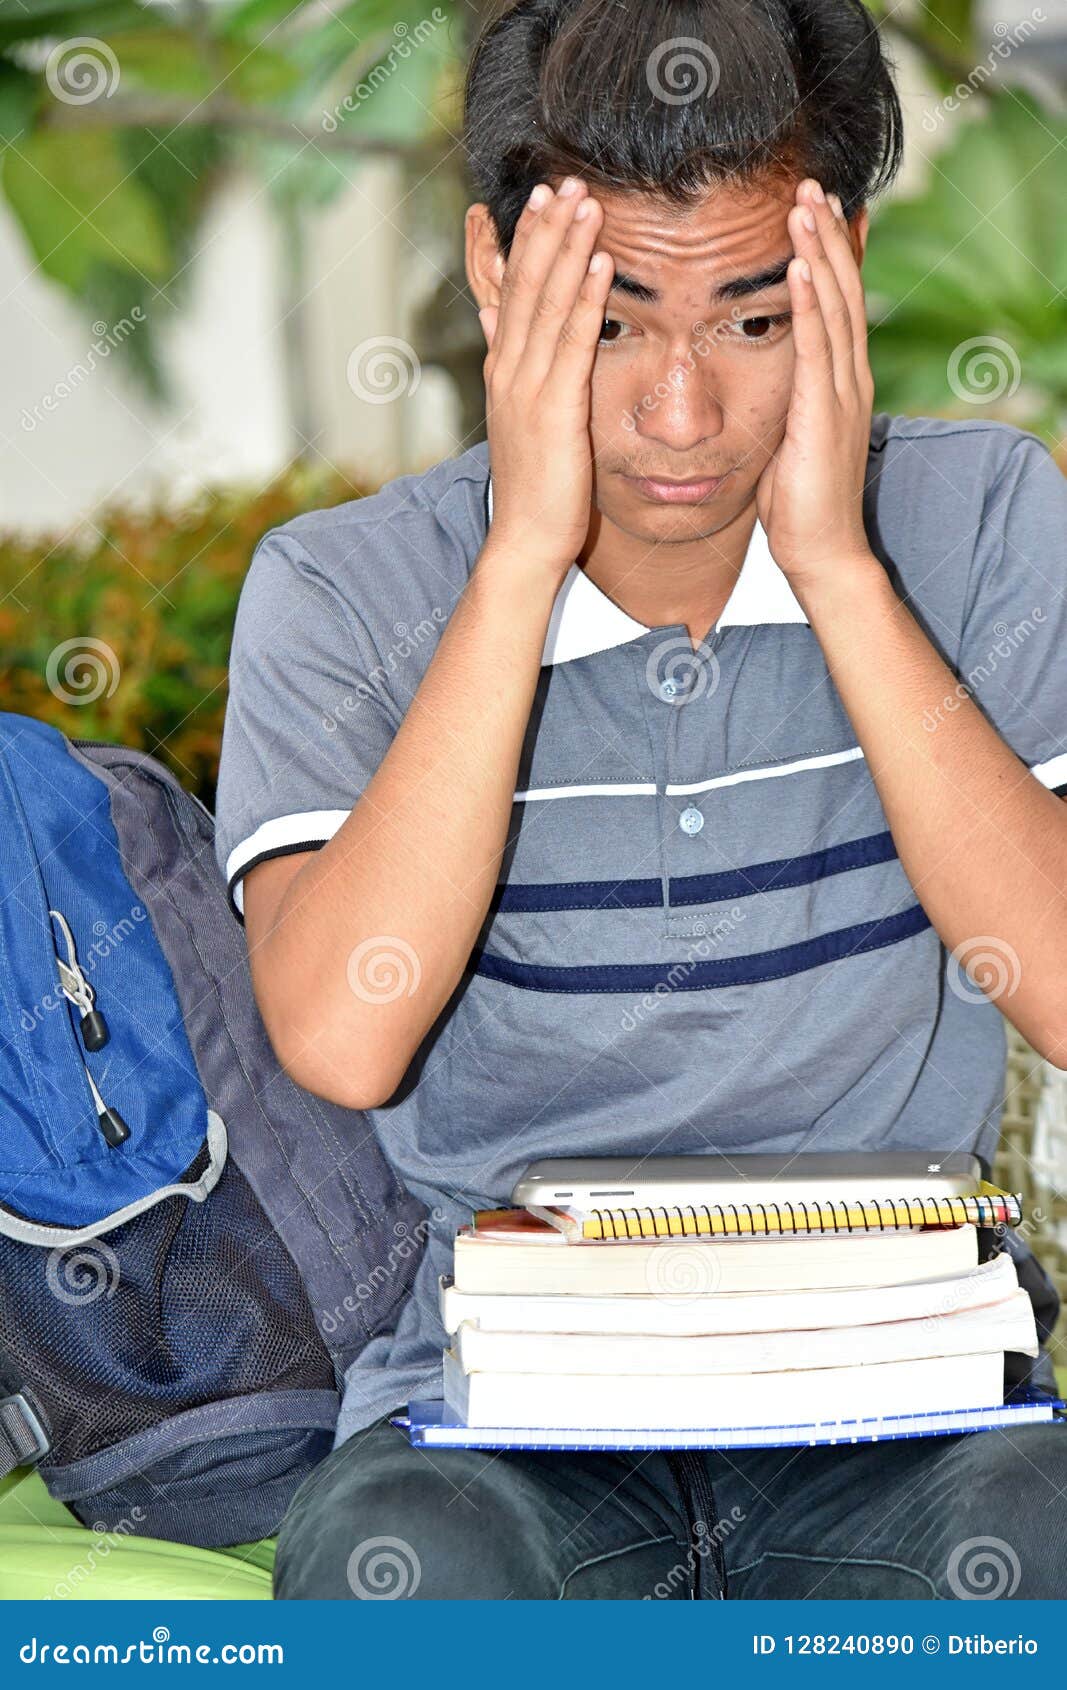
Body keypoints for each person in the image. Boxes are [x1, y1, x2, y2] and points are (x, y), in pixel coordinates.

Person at [214, 0, 1067, 1599]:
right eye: (611, 323)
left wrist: (835, 569)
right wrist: (520, 564)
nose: (683, 418)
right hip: (508, 1419)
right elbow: (341, 1031)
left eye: (752, 322)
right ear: (493, 275)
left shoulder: (979, 523)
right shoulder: (348, 593)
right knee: (399, 1575)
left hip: (914, 1408)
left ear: (841, 274)